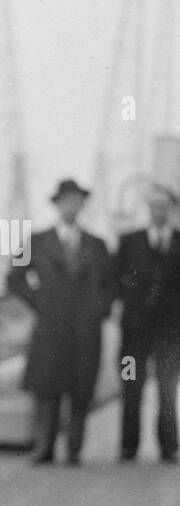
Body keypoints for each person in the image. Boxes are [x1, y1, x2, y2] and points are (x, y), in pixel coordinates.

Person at [6, 179, 114, 464]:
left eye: (76, 200)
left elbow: (111, 285)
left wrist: (97, 309)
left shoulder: (98, 244)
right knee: (48, 390)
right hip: (51, 328)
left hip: (85, 330)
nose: (71, 206)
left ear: (82, 205)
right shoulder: (37, 241)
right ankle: (45, 449)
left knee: (80, 391)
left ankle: (74, 451)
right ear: (56, 205)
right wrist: (39, 302)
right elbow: (14, 278)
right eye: (66, 200)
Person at [116, 185, 180, 462]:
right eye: (155, 206)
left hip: (170, 332)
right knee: (132, 386)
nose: (159, 211)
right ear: (148, 209)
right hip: (134, 332)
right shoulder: (130, 241)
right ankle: (129, 447)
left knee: (167, 390)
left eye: (164, 206)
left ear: (171, 209)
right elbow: (113, 277)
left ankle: (168, 447)